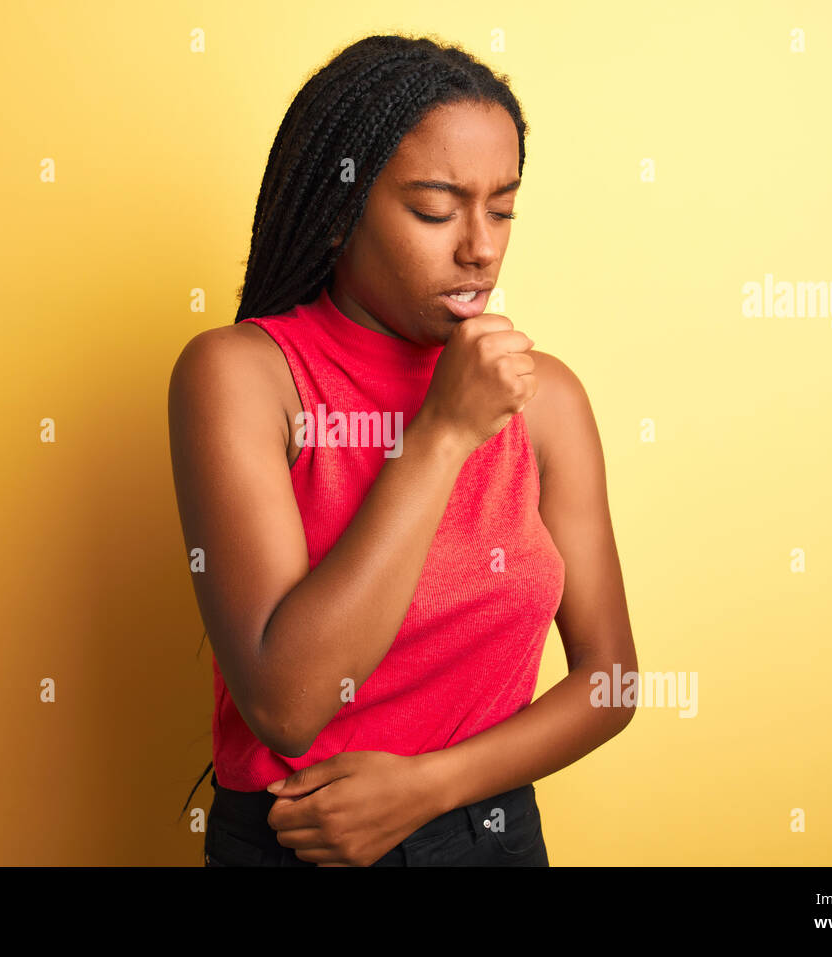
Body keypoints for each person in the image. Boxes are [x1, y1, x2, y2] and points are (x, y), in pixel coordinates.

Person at [168, 33, 637, 866]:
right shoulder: (242, 377)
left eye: (501, 209)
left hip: (490, 833)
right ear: (340, 207)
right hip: (298, 845)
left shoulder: (547, 397)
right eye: (434, 208)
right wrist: (445, 432)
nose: (479, 248)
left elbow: (612, 684)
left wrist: (431, 786)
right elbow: (286, 703)